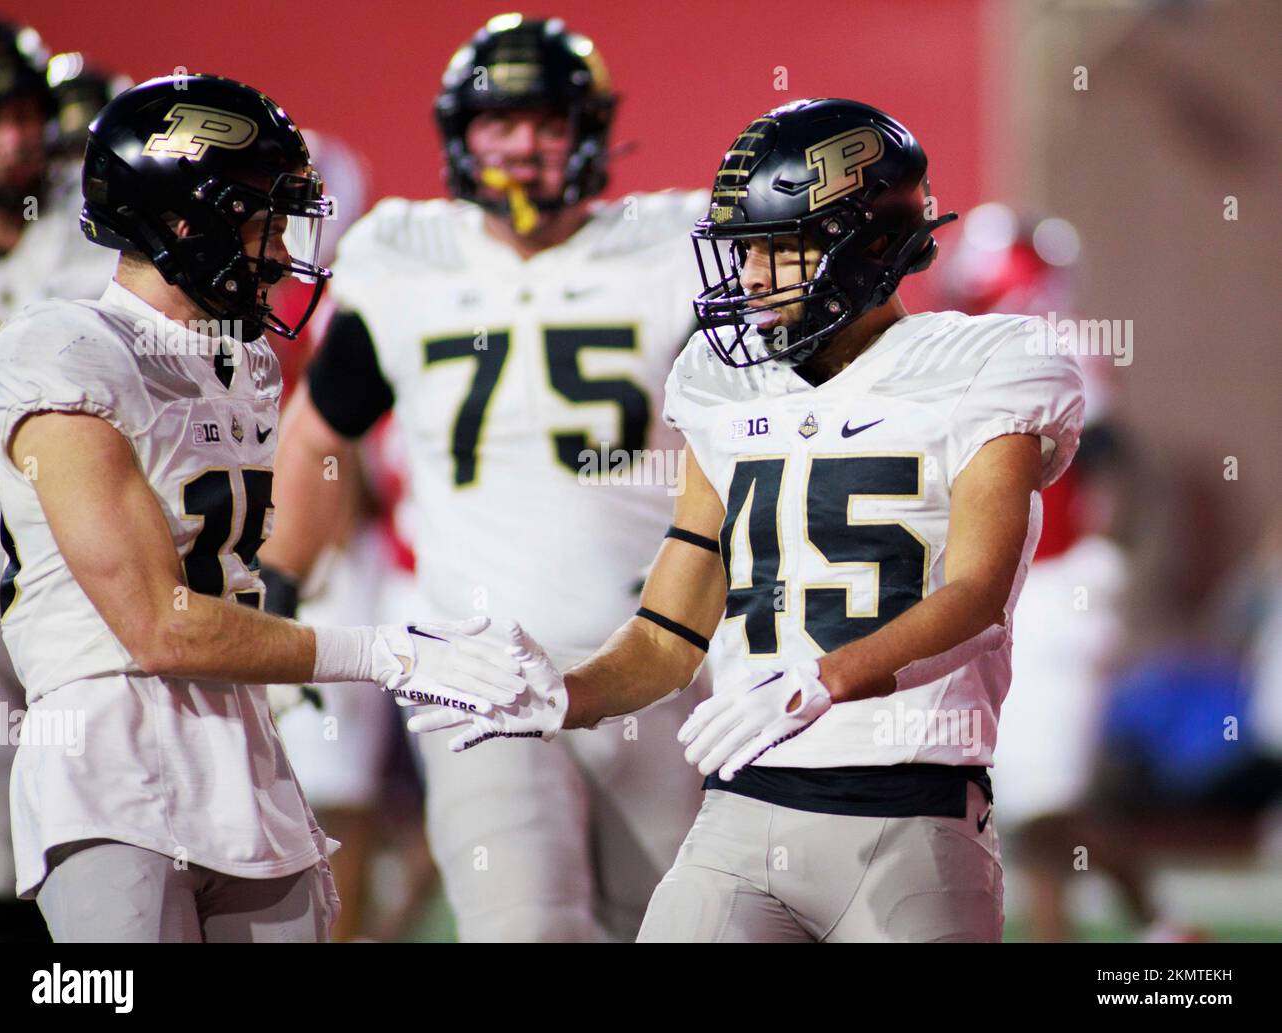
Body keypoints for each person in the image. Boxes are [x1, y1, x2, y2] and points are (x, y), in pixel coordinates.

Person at [408, 97, 1087, 943]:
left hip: (914, 818)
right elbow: (667, 634)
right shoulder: (725, 383)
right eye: (748, 252)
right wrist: (567, 693)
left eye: (781, 249)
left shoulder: (987, 364)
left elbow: (980, 594)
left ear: (872, 243)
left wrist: (827, 676)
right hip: (739, 814)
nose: (755, 279)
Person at [0, 73, 523, 943]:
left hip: (244, 753)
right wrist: (387, 653)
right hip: (111, 759)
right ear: (184, 222)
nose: (279, 245)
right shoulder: (63, 346)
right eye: (262, 215)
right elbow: (159, 627)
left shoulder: (243, 362)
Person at [260, 14, 708, 942]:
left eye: (546, 122)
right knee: (526, 929)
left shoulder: (672, 246)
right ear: (460, 135)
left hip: (660, 658)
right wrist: (275, 592)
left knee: (671, 929)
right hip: (475, 662)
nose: (523, 147)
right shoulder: (402, 258)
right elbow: (315, 440)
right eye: (499, 123)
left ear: (590, 130)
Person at [0, 11, 117, 941]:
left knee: (109, 799)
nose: (15, 138)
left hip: (97, 566)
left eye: (24, 113)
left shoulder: (98, 216)